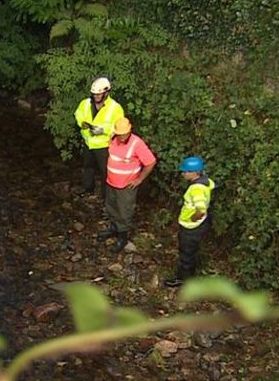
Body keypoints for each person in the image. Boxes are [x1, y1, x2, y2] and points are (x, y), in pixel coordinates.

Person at [99, 117, 156, 253]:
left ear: (130, 130)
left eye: (124, 134)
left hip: (126, 186)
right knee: (111, 207)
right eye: (120, 134)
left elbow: (150, 162)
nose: (122, 136)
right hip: (111, 182)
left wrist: (139, 179)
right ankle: (114, 228)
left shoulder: (137, 143)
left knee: (124, 212)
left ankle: (122, 237)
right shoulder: (113, 138)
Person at [165, 155, 215, 288]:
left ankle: (183, 279)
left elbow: (201, 209)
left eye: (186, 171)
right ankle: (190, 273)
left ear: (195, 172)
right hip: (199, 225)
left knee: (186, 253)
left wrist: (194, 217)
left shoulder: (196, 189)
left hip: (192, 226)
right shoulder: (205, 182)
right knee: (191, 251)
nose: (183, 174)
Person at [73, 76, 125, 197]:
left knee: (105, 172)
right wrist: (82, 123)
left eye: (99, 94)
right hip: (88, 143)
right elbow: (78, 113)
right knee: (87, 167)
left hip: (104, 145)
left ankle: (105, 196)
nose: (96, 96)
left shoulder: (115, 108)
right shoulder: (85, 103)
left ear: (106, 93)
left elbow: (120, 126)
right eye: (94, 94)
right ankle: (87, 188)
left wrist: (103, 130)